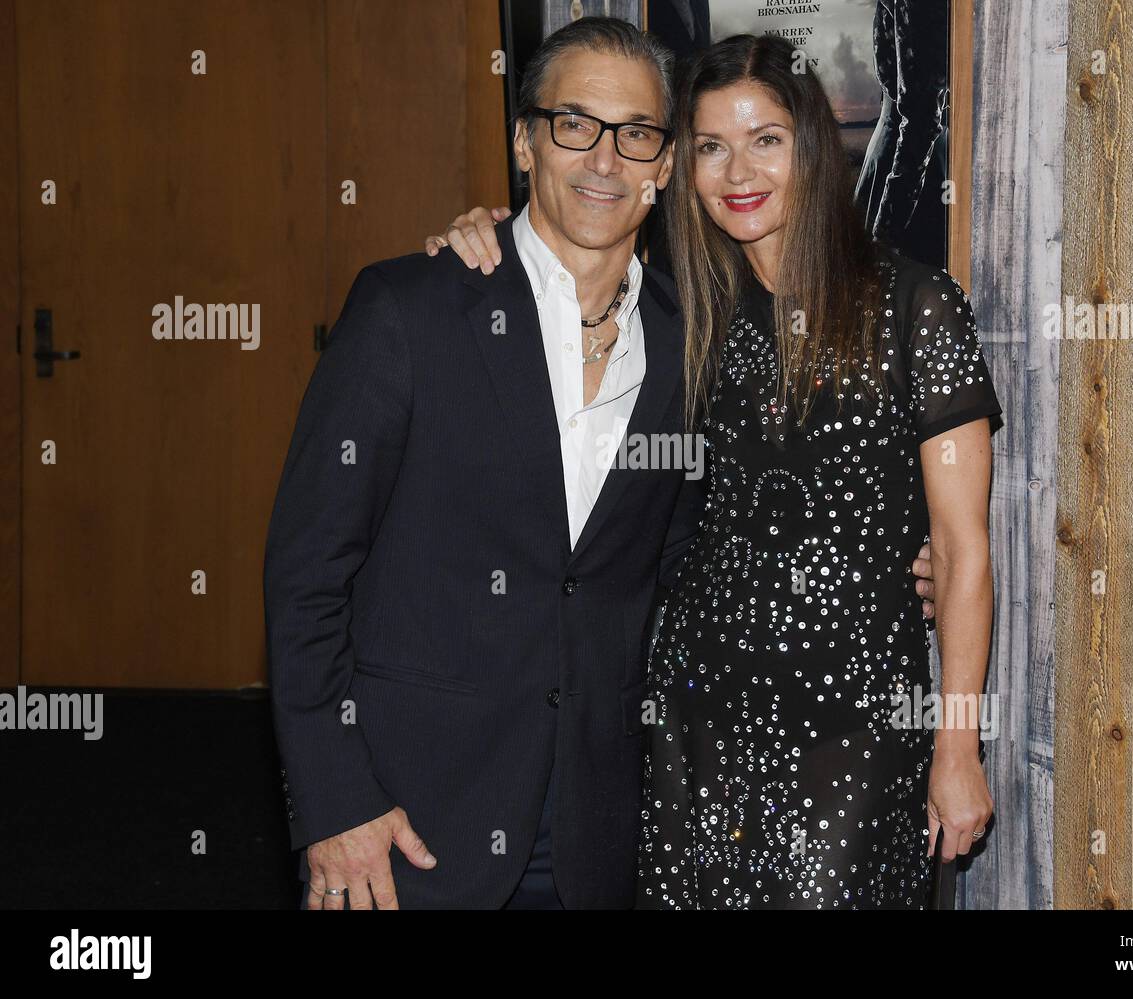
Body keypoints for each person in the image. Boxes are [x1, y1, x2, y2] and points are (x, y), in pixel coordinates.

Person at [428, 31, 1000, 908]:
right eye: (710, 146)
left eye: (765, 139)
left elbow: (962, 551)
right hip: (695, 710)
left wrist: (957, 748)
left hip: (855, 721)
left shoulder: (914, 306)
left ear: (808, 146)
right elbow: (555, 275)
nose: (740, 169)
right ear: (680, 170)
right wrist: (483, 235)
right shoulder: (685, 312)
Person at [265, 17, 698, 909]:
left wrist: (916, 561)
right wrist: (335, 799)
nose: (604, 160)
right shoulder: (411, 309)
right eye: (573, 123)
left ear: (664, 163)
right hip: (401, 825)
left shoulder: (691, 345)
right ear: (524, 142)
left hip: (595, 831)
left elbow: (703, 555)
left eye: (636, 134)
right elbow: (307, 572)